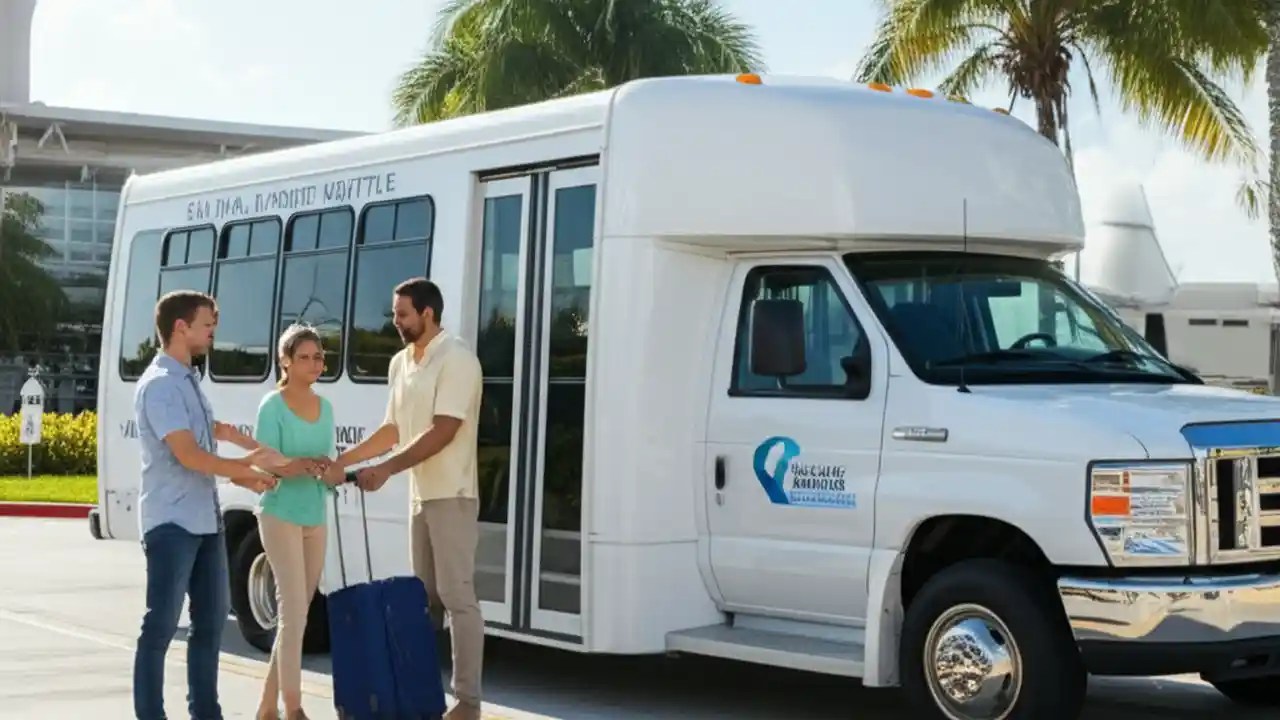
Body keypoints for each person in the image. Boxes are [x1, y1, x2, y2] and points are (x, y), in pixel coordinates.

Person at [334, 277, 485, 720]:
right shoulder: (401, 362)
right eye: (395, 314)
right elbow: (391, 430)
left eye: (402, 314)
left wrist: (386, 469)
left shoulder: (457, 359)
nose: (395, 322)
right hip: (421, 496)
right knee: (426, 600)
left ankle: (469, 702)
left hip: (452, 493)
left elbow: (444, 429)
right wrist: (344, 461)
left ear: (428, 313)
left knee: (458, 597)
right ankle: (423, 693)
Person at [133, 290, 284, 720]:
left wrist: (251, 451)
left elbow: (208, 431)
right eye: (206, 326)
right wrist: (245, 469)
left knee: (211, 624)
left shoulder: (186, 379)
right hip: (171, 524)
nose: (212, 334)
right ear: (180, 328)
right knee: (160, 626)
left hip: (204, 522)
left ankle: (206, 713)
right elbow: (189, 455)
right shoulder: (160, 385)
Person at [252, 323, 345, 720]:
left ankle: (266, 708)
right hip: (279, 514)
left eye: (318, 356)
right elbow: (262, 460)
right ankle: (294, 708)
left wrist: (330, 471)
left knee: (300, 613)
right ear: (285, 362)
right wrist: (297, 466)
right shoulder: (271, 407)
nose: (314, 363)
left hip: (314, 514)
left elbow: (328, 463)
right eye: (304, 357)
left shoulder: (327, 409)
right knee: (293, 612)